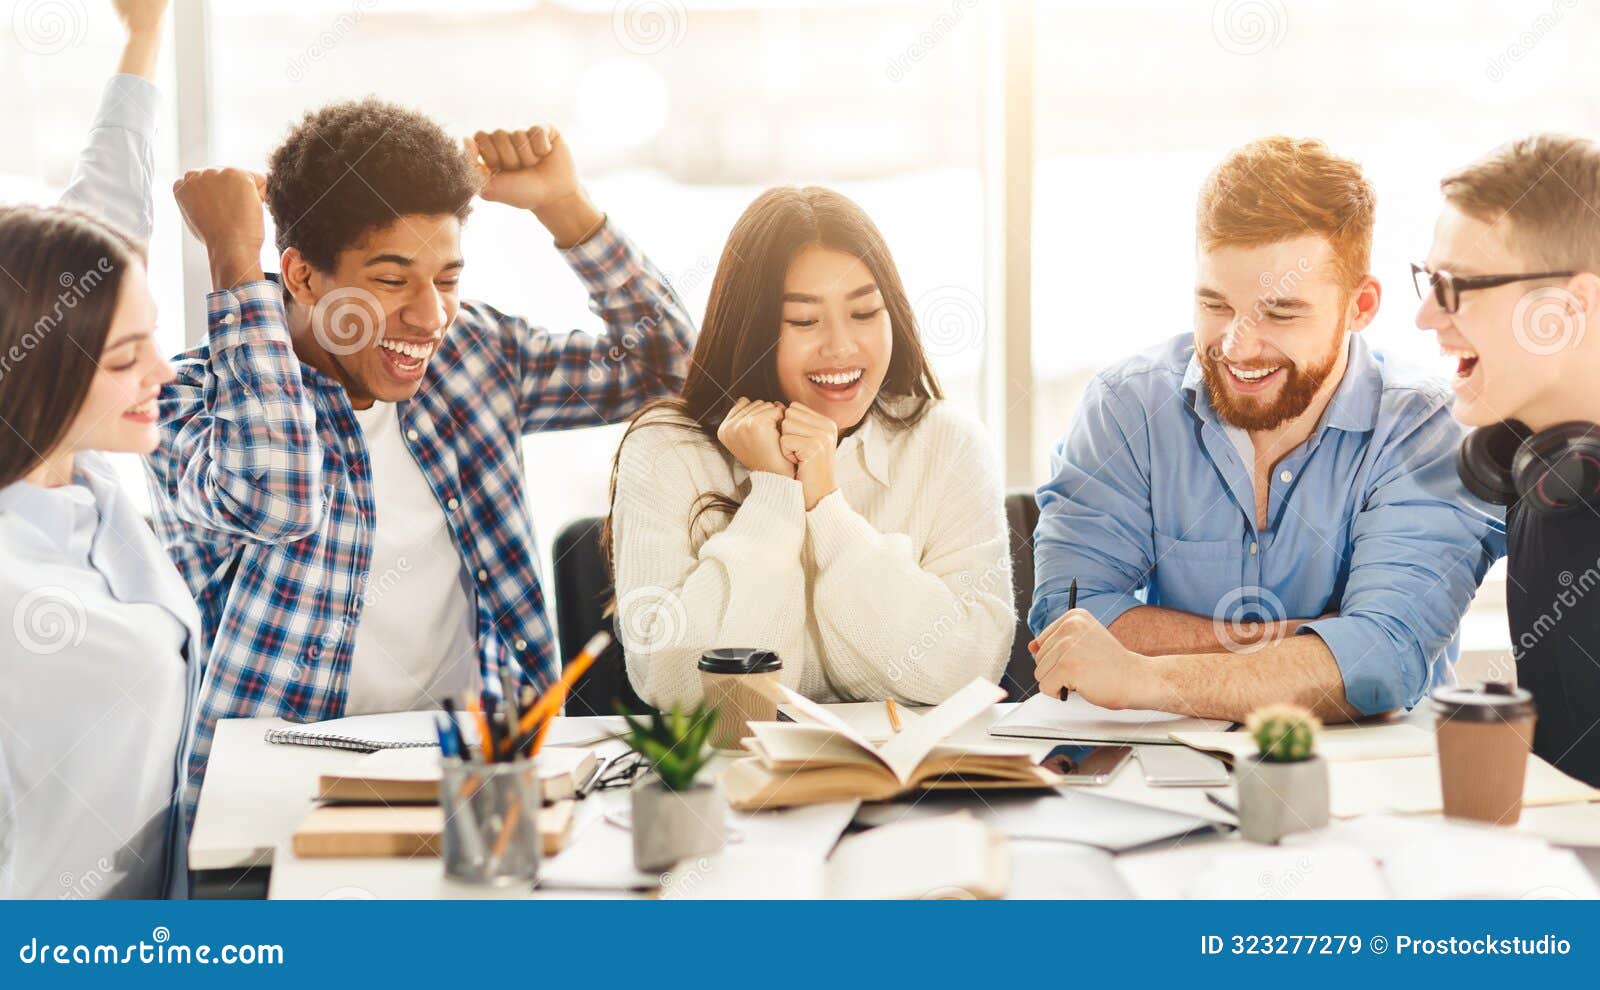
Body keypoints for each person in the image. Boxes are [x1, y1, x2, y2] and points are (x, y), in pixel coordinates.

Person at [144, 100, 694, 810]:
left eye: (447, 279)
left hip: (479, 773)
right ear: (302, 277)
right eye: (391, 279)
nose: (430, 316)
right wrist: (234, 265)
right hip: (277, 799)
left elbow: (669, 370)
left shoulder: (476, 357)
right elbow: (274, 499)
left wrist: (566, 208)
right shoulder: (190, 400)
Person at [1029, 136, 1504, 723]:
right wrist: (1319, 645)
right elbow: (1069, 624)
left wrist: (1138, 673)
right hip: (1158, 765)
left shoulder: (1424, 429)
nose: (1237, 346)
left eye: (1280, 313)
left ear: (1360, 306)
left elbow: (1381, 662)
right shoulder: (1128, 406)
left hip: (1368, 775)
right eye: (1216, 306)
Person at [605, 186, 1012, 709]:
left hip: (913, 779)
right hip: (733, 776)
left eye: (865, 313)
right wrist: (774, 497)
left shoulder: (949, 442)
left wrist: (825, 505)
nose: (841, 345)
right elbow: (683, 689)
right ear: (751, 329)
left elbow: (964, 672)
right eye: (803, 321)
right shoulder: (665, 448)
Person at [0, 0, 189, 899]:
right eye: (126, 357)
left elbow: (108, 210)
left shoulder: (85, 479)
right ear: (36, 372)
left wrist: (144, 38)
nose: (164, 370)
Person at [1415, 133, 1600, 786]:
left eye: (1457, 286)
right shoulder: (1547, 479)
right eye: (1430, 280)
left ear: (1569, 307)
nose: (1425, 315)